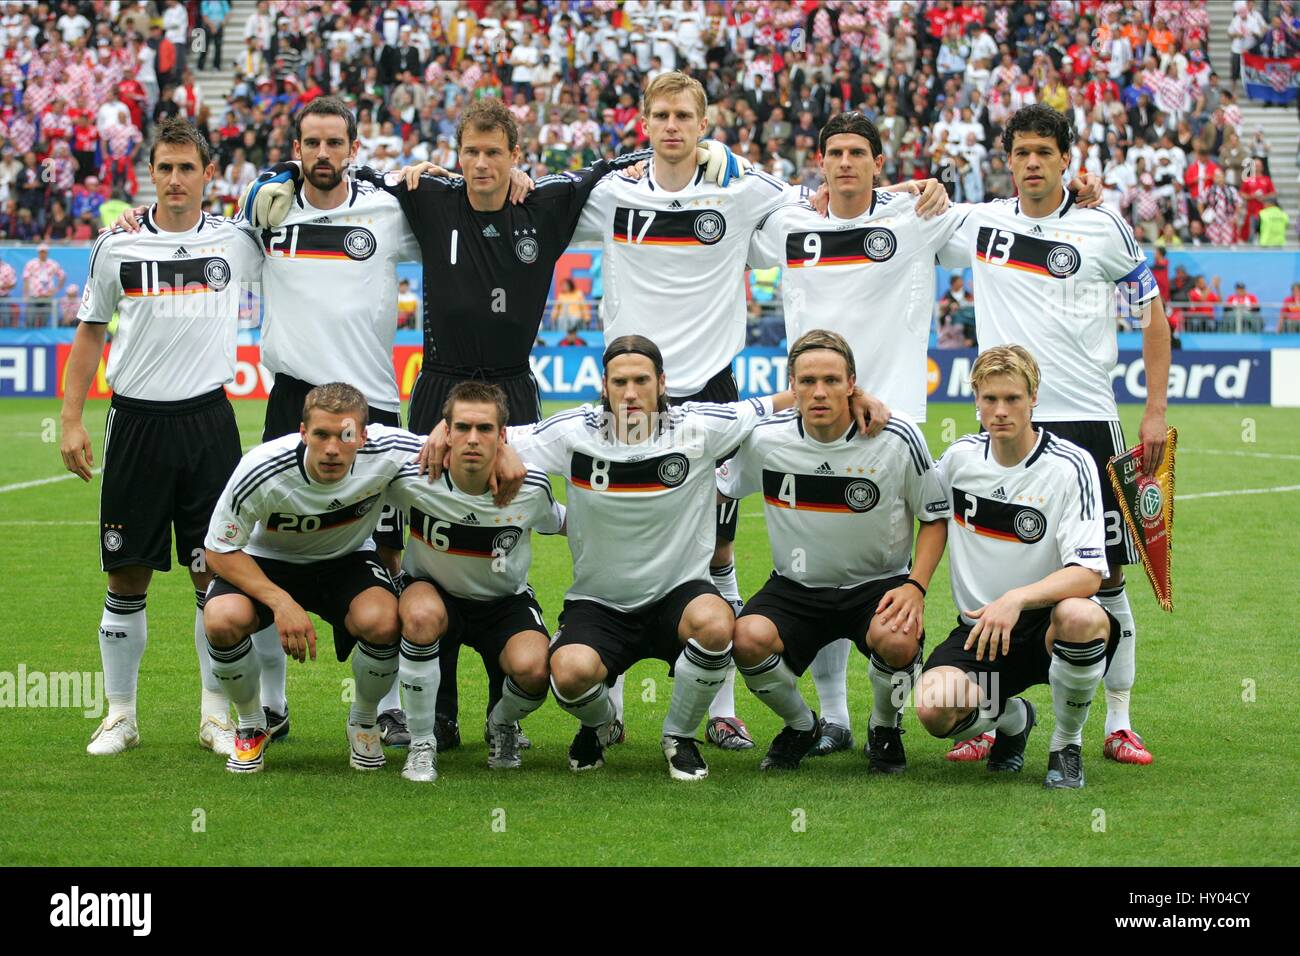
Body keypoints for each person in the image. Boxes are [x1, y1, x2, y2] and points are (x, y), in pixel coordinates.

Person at [569, 72, 942, 750]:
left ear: (704, 124)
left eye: (686, 114)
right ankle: (612, 702)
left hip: (713, 392)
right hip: (630, 389)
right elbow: (541, 200)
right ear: (644, 123)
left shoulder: (747, 193)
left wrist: (901, 192)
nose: (673, 125)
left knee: (718, 546)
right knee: (618, 532)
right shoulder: (609, 193)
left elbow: (825, 198)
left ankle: (722, 707)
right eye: (661, 114)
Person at [122, 97, 423, 749]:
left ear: (351, 148)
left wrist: (427, 172)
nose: (322, 154)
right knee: (272, 538)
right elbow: (201, 243)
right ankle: (274, 705)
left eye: (334, 143)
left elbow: (448, 221)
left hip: (371, 401)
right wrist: (143, 226)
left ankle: (391, 706)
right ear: (297, 146)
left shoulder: (388, 208)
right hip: (293, 401)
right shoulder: (267, 213)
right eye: (311, 143)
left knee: (390, 547)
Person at [938, 104, 1170, 767]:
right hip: (1006, 420)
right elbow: (905, 205)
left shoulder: (1106, 230)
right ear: (1006, 160)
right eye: (1021, 152)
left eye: (1044, 150)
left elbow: (1152, 322)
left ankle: (1118, 721)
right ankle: (987, 715)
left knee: (1107, 579)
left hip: (1090, 421)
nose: (1032, 162)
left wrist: (1153, 411)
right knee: (993, 563)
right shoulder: (981, 222)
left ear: (1066, 157)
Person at [470, 335, 799, 780]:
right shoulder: (574, 433)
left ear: (662, 382)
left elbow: (780, 402)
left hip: (678, 596)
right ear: (603, 386)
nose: (630, 392)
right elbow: (487, 433)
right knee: (568, 673)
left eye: (641, 380)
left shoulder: (699, 426)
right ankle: (600, 723)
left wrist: (858, 401)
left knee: (718, 623)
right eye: (619, 381)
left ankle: (678, 736)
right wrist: (475, 441)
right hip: (599, 602)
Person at [59, 119, 264, 759]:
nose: (175, 179)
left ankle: (213, 716)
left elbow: (301, 222)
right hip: (135, 423)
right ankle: (120, 714)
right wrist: (70, 420)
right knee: (126, 575)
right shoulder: (114, 248)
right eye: (164, 168)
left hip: (208, 423)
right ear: (150, 173)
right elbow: (91, 331)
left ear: (209, 174)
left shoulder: (235, 242)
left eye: (187, 167)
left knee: (214, 577)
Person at [720, 331, 949, 771]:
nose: (818, 391)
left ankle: (884, 727)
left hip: (876, 584)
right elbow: (719, 489)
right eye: (807, 381)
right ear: (792, 385)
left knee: (898, 640)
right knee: (746, 639)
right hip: (795, 586)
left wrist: (916, 587)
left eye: (830, 379)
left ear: (852, 384)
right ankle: (802, 725)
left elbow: (934, 516)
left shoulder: (896, 435)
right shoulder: (765, 439)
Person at [915, 346, 1121, 789]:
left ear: (1034, 398)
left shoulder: (1071, 465)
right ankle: (1013, 719)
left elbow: (1088, 575)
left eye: (1012, 398)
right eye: (990, 399)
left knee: (1082, 615)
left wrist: (1017, 598)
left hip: (1050, 625)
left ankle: (1066, 746)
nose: (1001, 410)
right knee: (933, 707)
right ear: (975, 399)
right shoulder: (960, 459)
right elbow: (923, 507)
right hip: (982, 629)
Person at [202, 383, 414, 774]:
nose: (333, 448)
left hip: (346, 559)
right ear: (303, 432)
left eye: (346, 435)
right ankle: (250, 725)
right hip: (269, 562)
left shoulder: (391, 450)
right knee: (221, 618)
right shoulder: (263, 467)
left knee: (383, 620)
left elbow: (447, 447)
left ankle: (364, 721)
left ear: (364, 436)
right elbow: (217, 550)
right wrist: (282, 602)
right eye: (321, 434)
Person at [384, 381, 565, 780]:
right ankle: (421, 743)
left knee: (535, 669)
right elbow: (367, 447)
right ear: (444, 433)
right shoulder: (412, 477)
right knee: (419, 614)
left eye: (484, 429)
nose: (472, 438)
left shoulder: (530, 486)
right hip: (435, 593)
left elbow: (563, 522)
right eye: (461, 427)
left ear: (503, 437)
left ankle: (501, 723)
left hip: (504, 602)